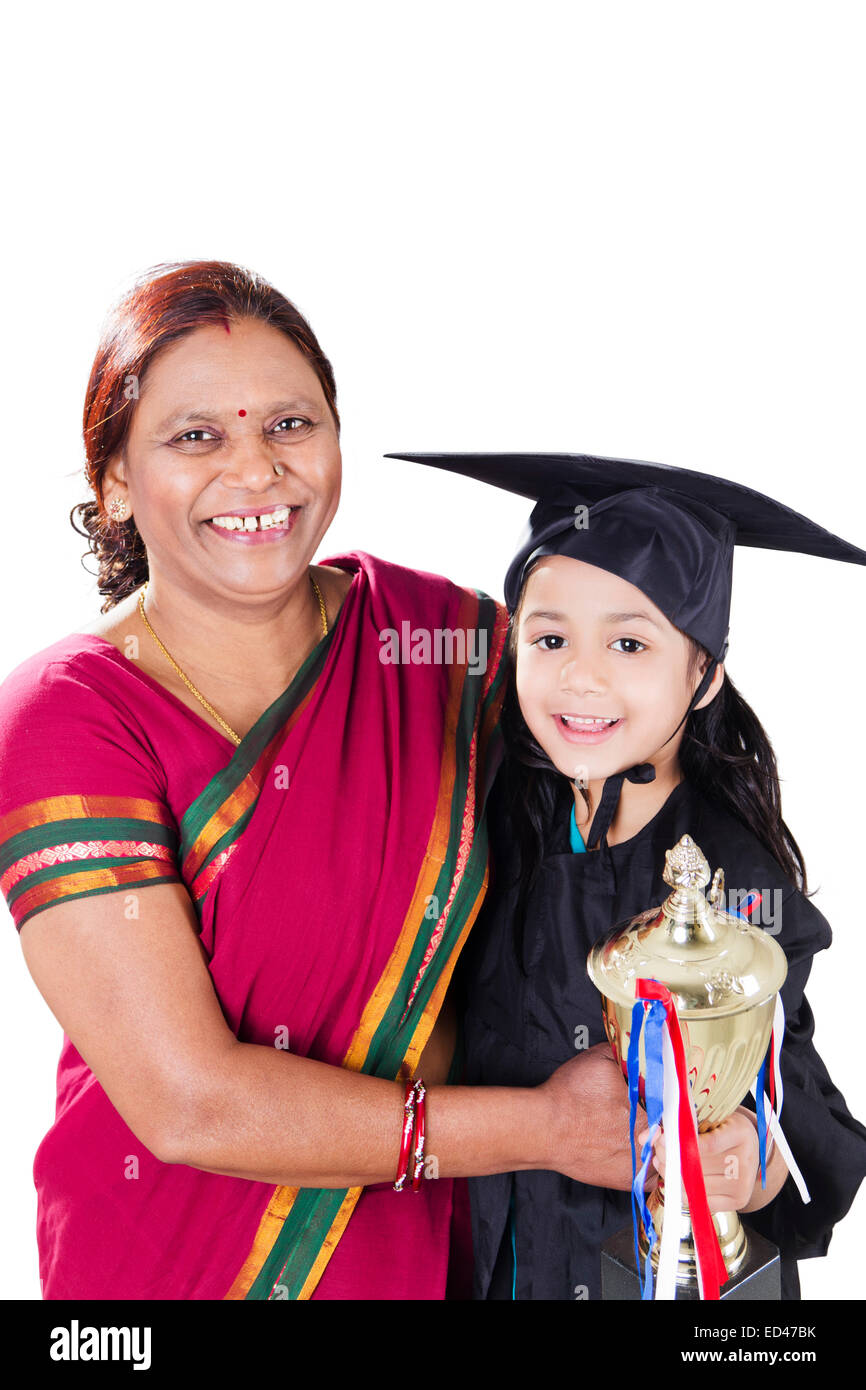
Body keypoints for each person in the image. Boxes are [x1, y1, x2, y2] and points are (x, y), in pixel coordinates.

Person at [0, 265, 636, 1300]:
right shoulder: (69, 714)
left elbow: (617, 851)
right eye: (196, 435)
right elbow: (188, 1102)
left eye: (289, 423)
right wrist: (546, 1128)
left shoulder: (443, 645)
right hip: (172, 1266)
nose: (256, 470)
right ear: (113, 480)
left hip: (433, 1252)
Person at [387, 449, 866, 1300]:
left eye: (630, 642)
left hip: (649, 1273)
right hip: (495, 1248)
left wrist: (746, 1162)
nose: (581, 674)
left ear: (704, 673)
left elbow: (792, 1091)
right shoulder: (492, 820)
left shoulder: (732, 876)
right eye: (549, 637)